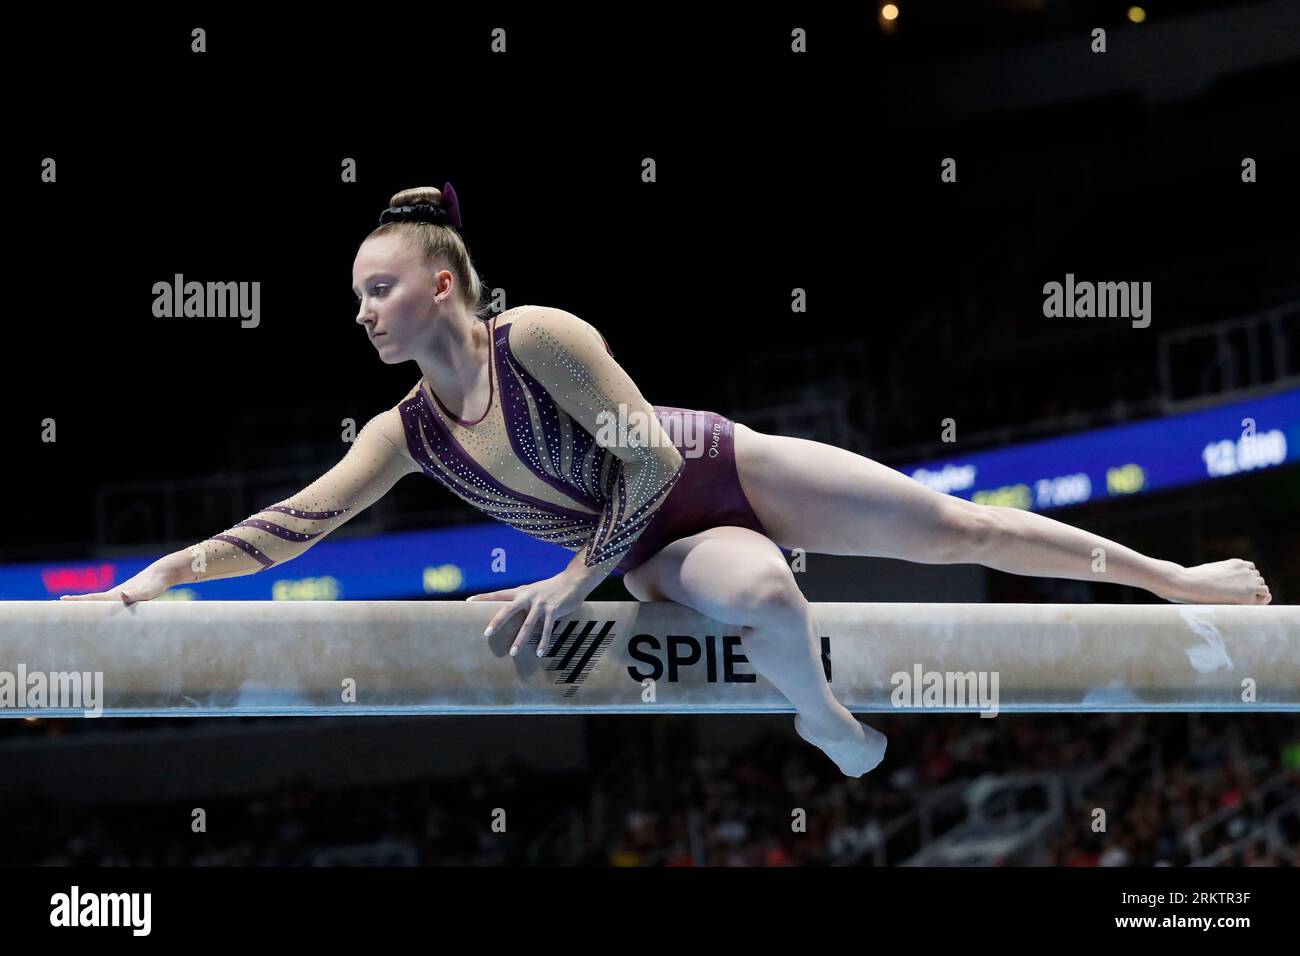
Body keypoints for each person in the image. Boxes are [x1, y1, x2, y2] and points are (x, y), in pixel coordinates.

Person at [63, 183, 1272, 777]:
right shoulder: (407, 432)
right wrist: (151, 582)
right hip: (653, 544)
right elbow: (287, 527)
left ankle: (1176, 583)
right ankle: (825, 718)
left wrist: (570, 579)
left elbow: (643, 459)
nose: (362, 313)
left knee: (953, 524)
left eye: (376, 288)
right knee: (762, 596)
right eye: (352, 299)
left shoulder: (536, 334)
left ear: (442, 284)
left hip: (702, 461)